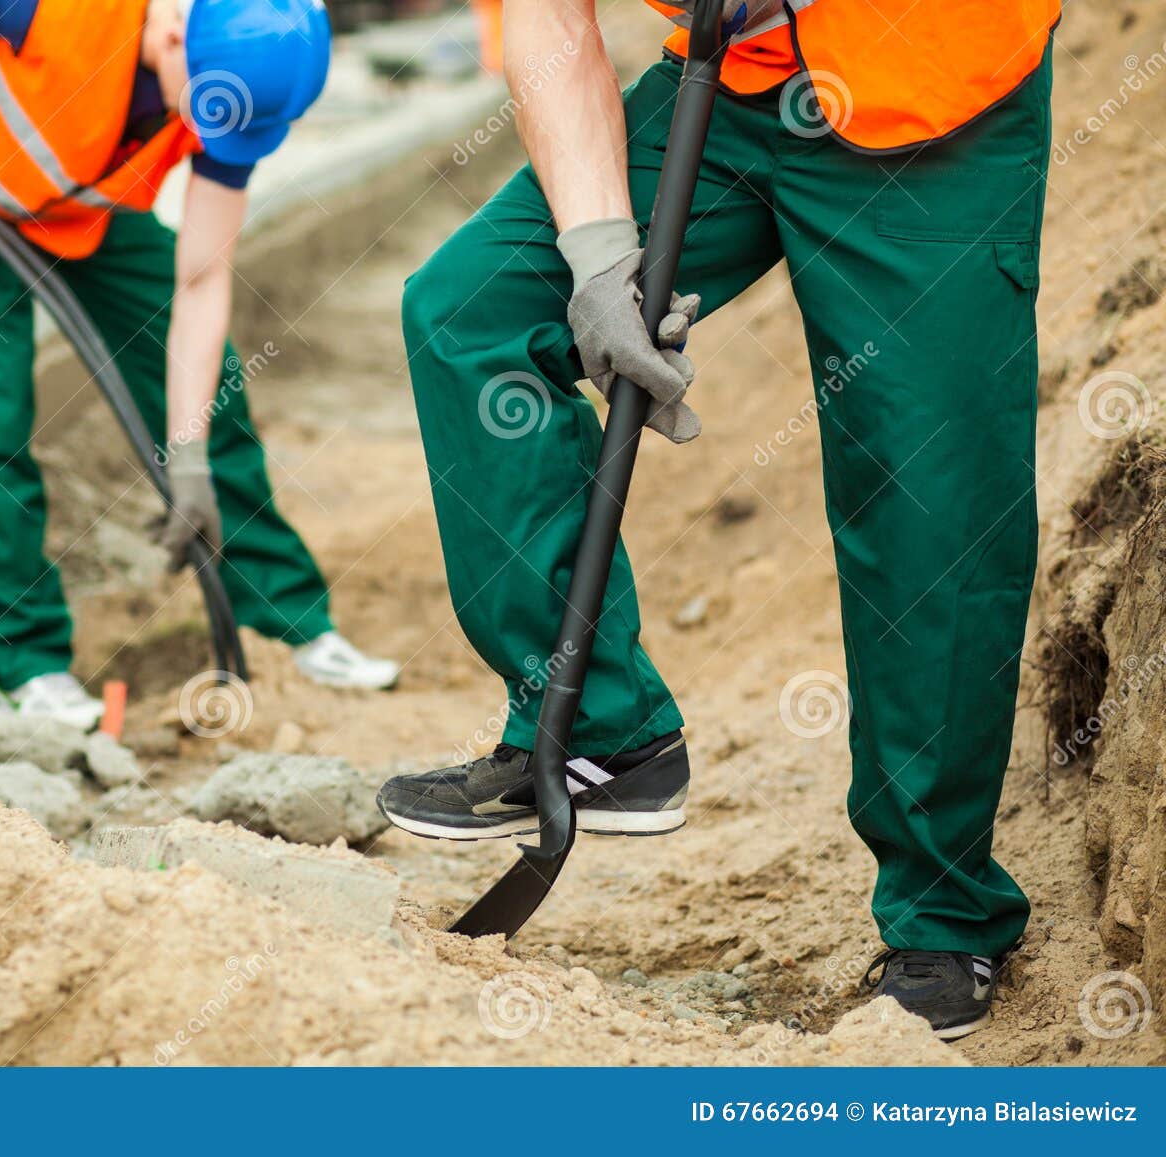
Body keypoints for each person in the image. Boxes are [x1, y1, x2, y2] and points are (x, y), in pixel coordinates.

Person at [377, 0, 1060, 1039]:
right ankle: (598, 732)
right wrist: (601, 264)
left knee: (930, 486)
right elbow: (549, 18)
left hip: (933, 87)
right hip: (740, 82)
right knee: (471, 312)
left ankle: (943, 910)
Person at [0, 0, 400, 730]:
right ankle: (24, 666)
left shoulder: (230, 83)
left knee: (210, 393)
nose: (208, 134)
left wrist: (188, 457)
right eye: (204, 110)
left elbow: (201, 282)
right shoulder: (55, 10)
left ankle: (285, 621)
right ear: (173, 34)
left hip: (82, 204)